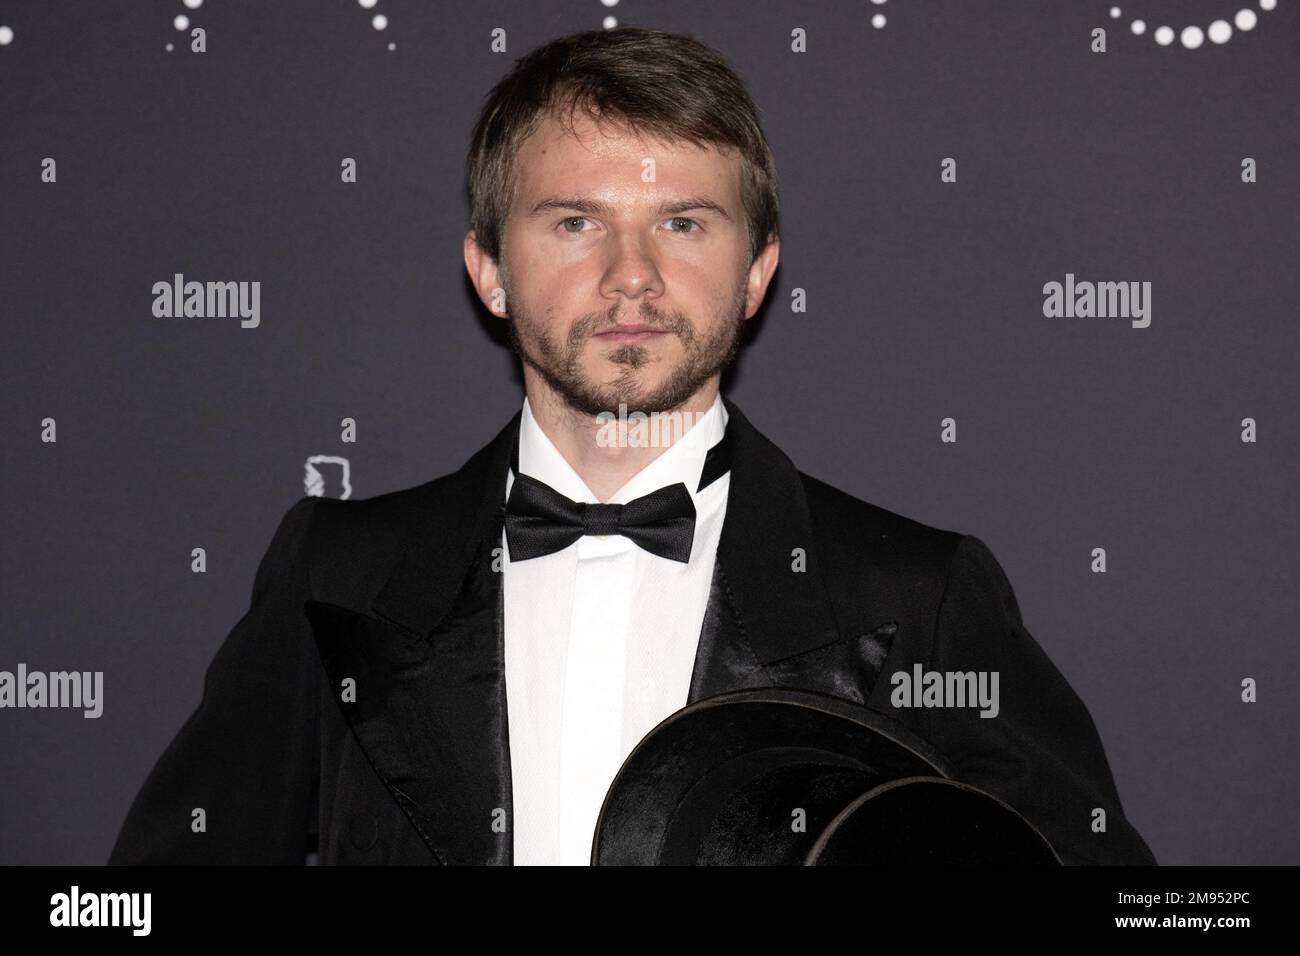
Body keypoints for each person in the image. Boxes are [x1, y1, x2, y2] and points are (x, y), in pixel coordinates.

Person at [109, 26, 1156, 866]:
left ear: (756, 273)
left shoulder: (913, 592)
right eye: (574, 222)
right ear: (488, 268)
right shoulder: (334, 576)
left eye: (683, 223)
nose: (631, 276)